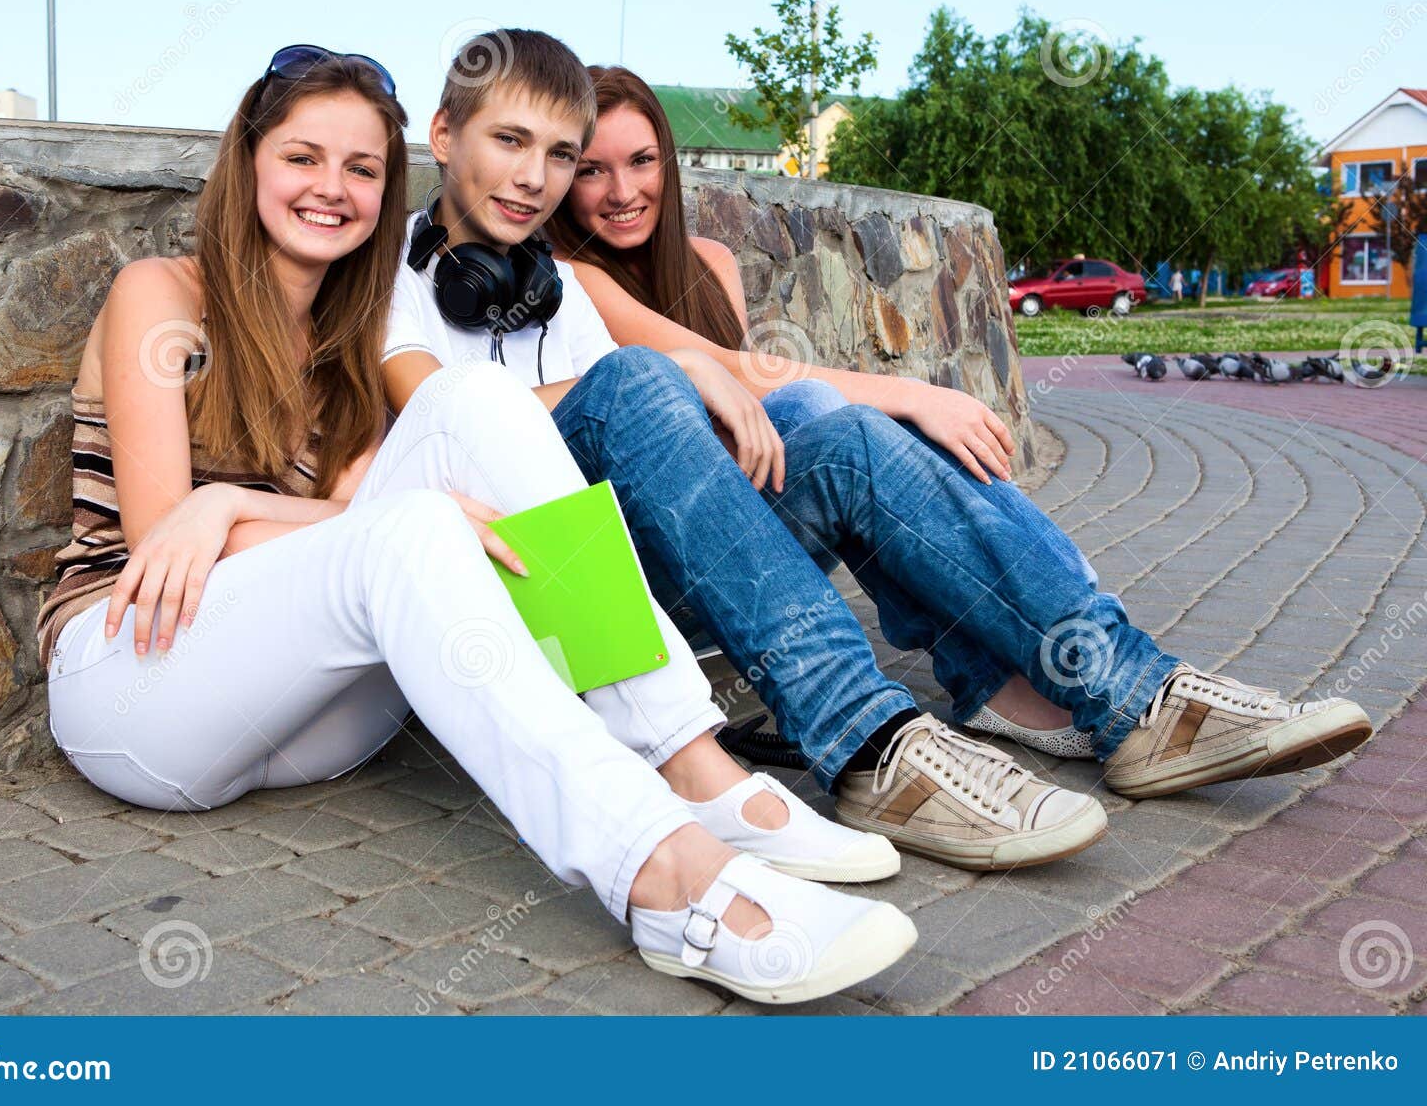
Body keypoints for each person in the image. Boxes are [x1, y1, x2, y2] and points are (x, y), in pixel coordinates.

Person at [34, 45, 915, 1004]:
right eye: (302, 157)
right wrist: (260, 507)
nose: (332, 188)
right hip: (139, 682)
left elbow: (344, 520)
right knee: (409, 524)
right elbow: (170, 538)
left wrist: (245, 500)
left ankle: (690, 762)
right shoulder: (163, 298)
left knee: (477, 401)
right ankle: (669, 875)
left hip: (311, 720)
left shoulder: (355, 333)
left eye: (363, 169)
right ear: (248, 160)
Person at [543, 62, 1372, 820]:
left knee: (840, 427)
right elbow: (734, 369)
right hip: (663, 578)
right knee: (851, 422)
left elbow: (757, 408)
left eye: (641, 161)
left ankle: (1099, 692)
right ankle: (1056, 685)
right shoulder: (572, 278)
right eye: (591, 169)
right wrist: (916, 392)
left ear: (670, 163)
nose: (621, 190)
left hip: (744, 539)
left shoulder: (707, 259)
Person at [382, 31, 1125, 874]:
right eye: (510, 142)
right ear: (443, 135)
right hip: (525, 608)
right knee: (639, 381)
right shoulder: (385, 282)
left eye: (558, 154)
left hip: (632, 595)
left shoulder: (559, 286)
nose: (534, 177)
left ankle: (1126, 686)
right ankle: (869, 737)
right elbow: (440, 409)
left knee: (834, 435)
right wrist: (675, 370)